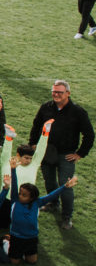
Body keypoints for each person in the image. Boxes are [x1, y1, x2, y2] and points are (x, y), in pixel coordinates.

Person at [29, 80, 92, 230]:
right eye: (54, 91)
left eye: (60, 92)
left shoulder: (78, 112)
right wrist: (33, 144)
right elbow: (36, 125)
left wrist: (80, 154)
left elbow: (89, 135)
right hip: (46, 152)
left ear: (68, 94)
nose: (56, 94)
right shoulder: (46, 107)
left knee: (66, 184)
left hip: (66, 155)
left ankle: (67, 216)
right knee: (49, 181)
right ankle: (53, 203)